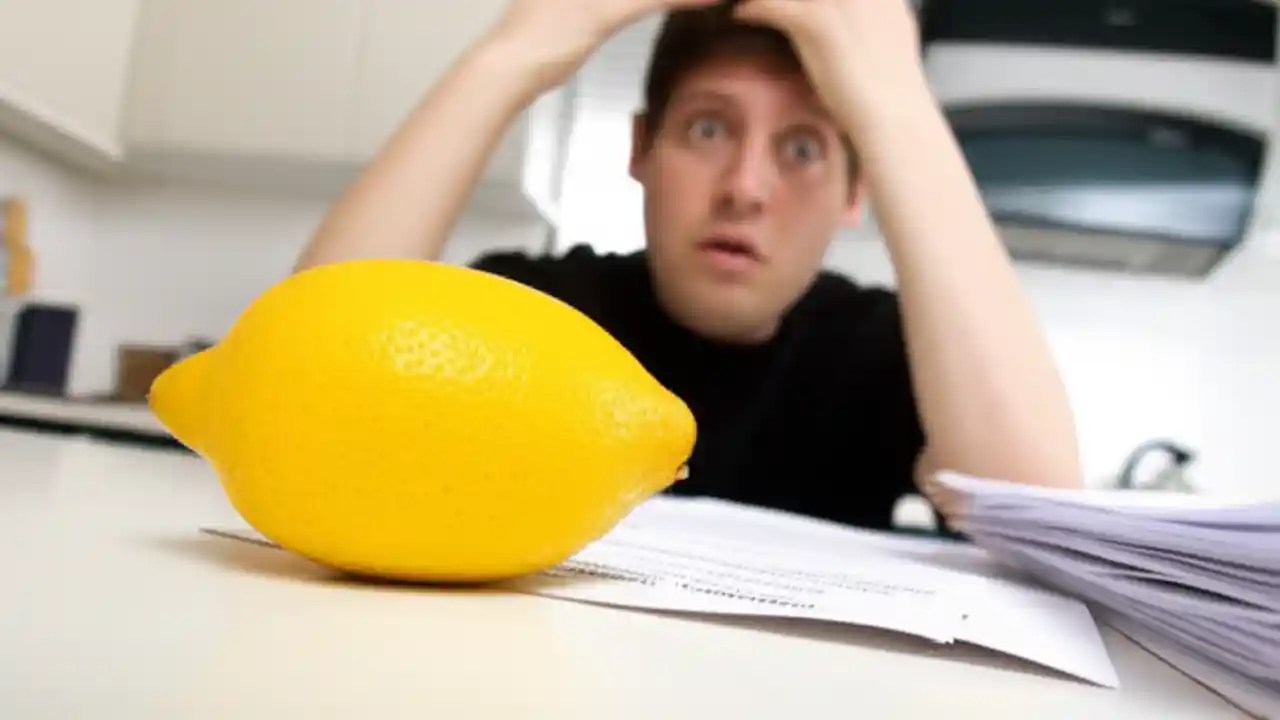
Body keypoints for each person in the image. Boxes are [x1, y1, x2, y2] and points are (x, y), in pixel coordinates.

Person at [295, 0, 1083, 531]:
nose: (745, 188)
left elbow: (1041, 510)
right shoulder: (542, 315)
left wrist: (895, 98)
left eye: (803, 149)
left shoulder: (884, 355)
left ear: (856, 194)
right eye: (708, 130)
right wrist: (513, 53)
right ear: (641, 150)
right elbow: (305, 378)